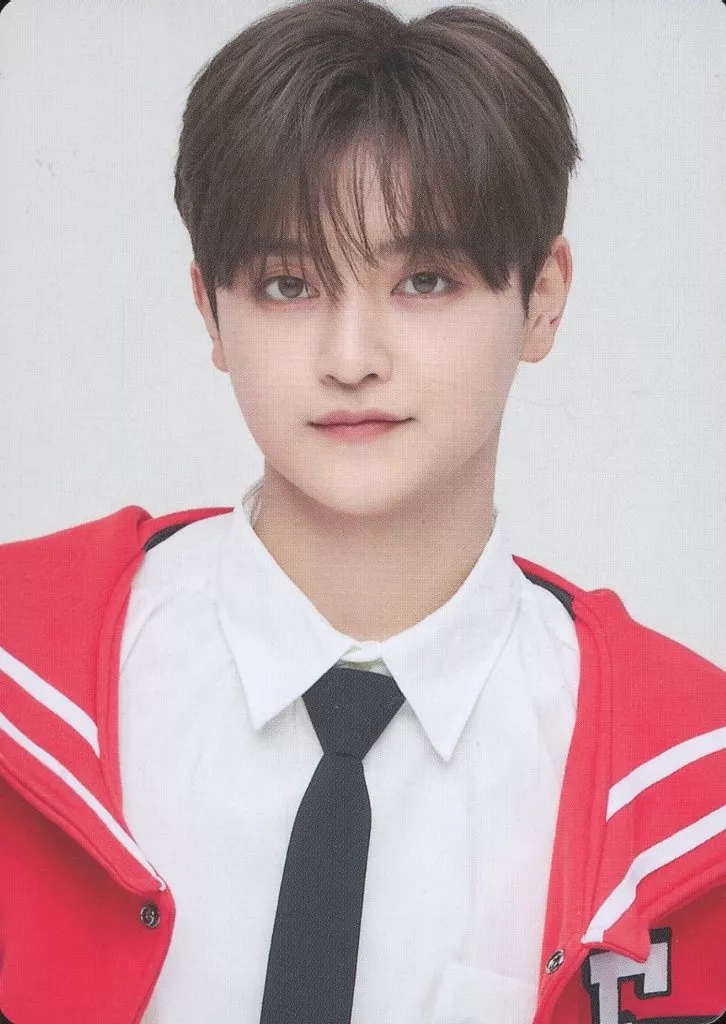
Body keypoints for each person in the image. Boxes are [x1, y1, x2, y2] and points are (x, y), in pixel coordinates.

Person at [0, 2, 724, 1022]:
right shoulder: (24, 660)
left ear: (543, 298)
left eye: (425, 280)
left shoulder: (690, 776)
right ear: (211, 310)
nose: (351, 358)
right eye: (288, 285)